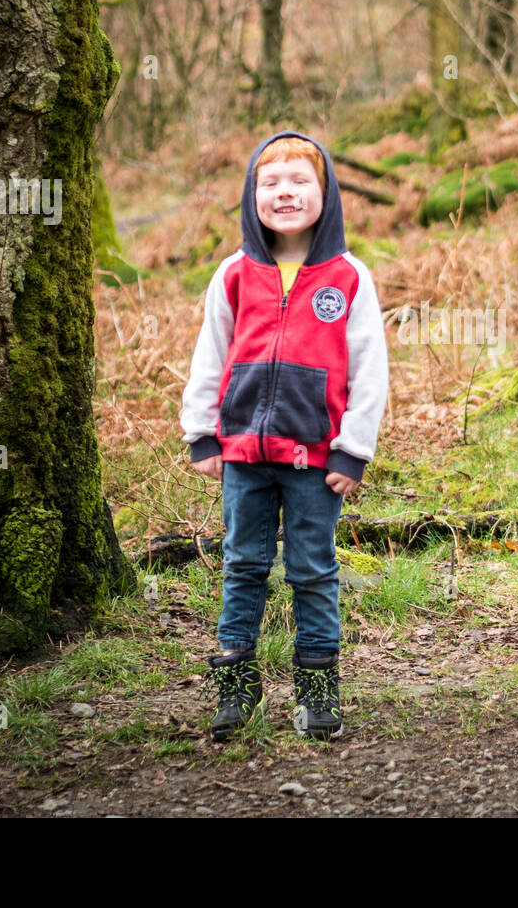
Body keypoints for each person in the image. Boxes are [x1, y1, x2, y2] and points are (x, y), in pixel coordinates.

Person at [180, 131, 389, 741]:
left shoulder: (349, 278)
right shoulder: (235, 274)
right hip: (243, 454)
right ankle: (235, 692)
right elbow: (210, 355)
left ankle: (318, 693)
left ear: (326, 194)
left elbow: (369, 370)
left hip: (317, 460)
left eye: (300, 181)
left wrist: (354, 449)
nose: (285, 193)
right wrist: (202, 434)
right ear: (252, 197)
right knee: (242, 565)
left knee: (313, 570)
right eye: (270, 183)